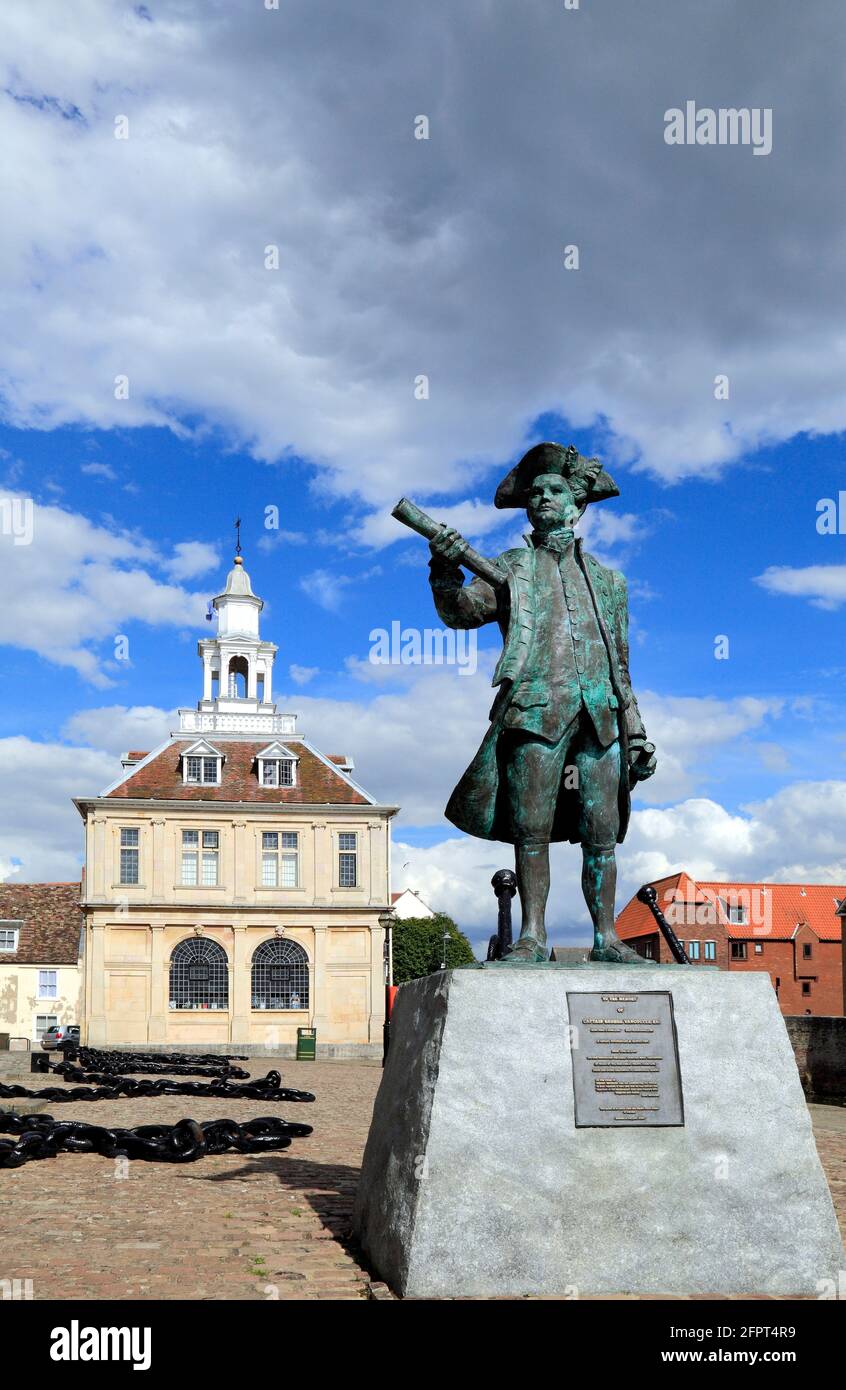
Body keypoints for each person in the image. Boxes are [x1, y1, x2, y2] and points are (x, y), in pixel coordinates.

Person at [429, 442, 656, 963]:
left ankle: (607, 938)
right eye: (535, 493)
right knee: (531, 830)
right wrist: (443, 571)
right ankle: (532, 936)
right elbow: (460, 613)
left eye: (555, 490)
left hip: (602, 717)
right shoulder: (510, 567)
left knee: (602, 833)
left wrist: (637, 730)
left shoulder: (610, 581)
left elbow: (621, 664)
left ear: (578, 505)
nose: (543, 499)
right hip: (534, 712)